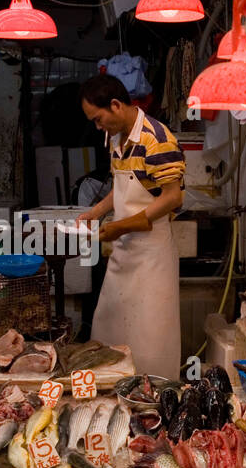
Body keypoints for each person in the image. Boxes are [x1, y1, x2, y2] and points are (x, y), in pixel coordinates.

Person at [76, 73, 184, 378]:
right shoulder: (115, 137)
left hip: (152, 255)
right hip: (124, 251)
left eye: (98, 119)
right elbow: (120, 186)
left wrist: (121, 227)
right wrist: (94, 213)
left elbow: (172, 197)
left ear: (115, 105)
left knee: (151, 338)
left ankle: (153, 403)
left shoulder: (156, 138)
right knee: (111, 328)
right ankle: (112, 398)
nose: (98, 127)